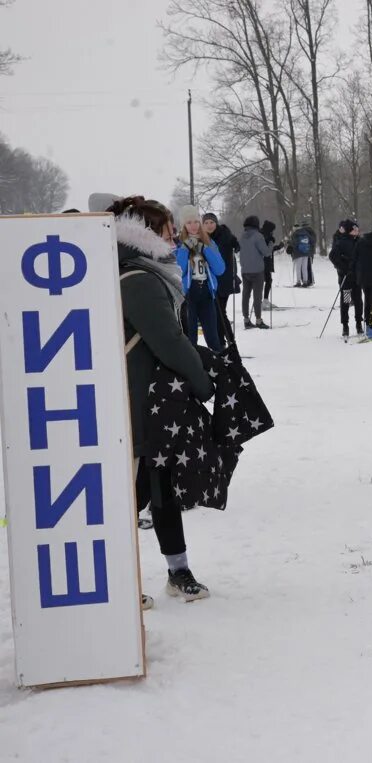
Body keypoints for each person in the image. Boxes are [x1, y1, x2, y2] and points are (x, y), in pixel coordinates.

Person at [106, 195, 214, 604]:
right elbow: (169, 340)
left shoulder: (145, 271)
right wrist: (202, 380)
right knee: (134, 491)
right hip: (142, 402)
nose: (173, 235)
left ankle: (177, 569)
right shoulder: (139, 278)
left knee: (162, 486)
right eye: (167, 228)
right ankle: (120, 581)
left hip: (156, 401)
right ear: (147, 233)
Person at [175, 205, 226, 352]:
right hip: (189, 294)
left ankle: (218, 371)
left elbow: (220, 269)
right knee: (191, 340)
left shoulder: (209, 242)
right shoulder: (179, 244)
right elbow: (179, 271)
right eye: (189, 222)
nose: (193, 225)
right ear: (184, 225)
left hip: (206, 293)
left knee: (213, 339)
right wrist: (185, 249)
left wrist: (204, 249)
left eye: (196, 221)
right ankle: (195, 372)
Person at [203, 212, 240, 341]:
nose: (209, 225)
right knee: (216, 312)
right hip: (211, 280)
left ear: (216, 223)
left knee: (219, 312)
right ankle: (222, 340)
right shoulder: (203, 238)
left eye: (212, 222)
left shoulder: (225, 234)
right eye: (206, 223)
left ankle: (229, 340)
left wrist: (236, 245)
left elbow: (236, 244)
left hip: (224, 279)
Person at [330, 218, 364, 337]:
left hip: (357, 278)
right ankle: (345, 325)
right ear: (350, 230)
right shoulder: (342, 241)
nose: (357, 231)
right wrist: (344, 268)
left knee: (358, 301)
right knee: (345, 301)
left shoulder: (360, 241)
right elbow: (333, 256)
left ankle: (359, 323)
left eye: (357, 229)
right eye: (354, 229)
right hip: (345, 278)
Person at [239, 215, 271, 329]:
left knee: (245, 295)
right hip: (257, 270)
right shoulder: (258, 236)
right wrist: (271, 245)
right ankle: (258, 320)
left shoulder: (242, 236)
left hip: (245, 270)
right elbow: (266, 252)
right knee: (257, 296)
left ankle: (246, 320)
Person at [288, 220, 317, 287]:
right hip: (306, 252)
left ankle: (298, 282)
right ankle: (305, 282)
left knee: (298, 268)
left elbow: (295, 243)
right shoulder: (306, 233)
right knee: (304, 268)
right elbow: (311, 241)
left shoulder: (295, 234)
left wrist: (289, 243)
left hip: (298, 253)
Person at [261, 220, 278, 302]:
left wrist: (278, 246)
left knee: (267, 280)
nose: (273, 232)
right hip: (264, 262)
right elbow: (267, 250)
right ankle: (264, 300)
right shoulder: (265, 237)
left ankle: (264, 300)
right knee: (267, 280)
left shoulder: (263, 235)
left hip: (264, 261)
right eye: (272, 230)